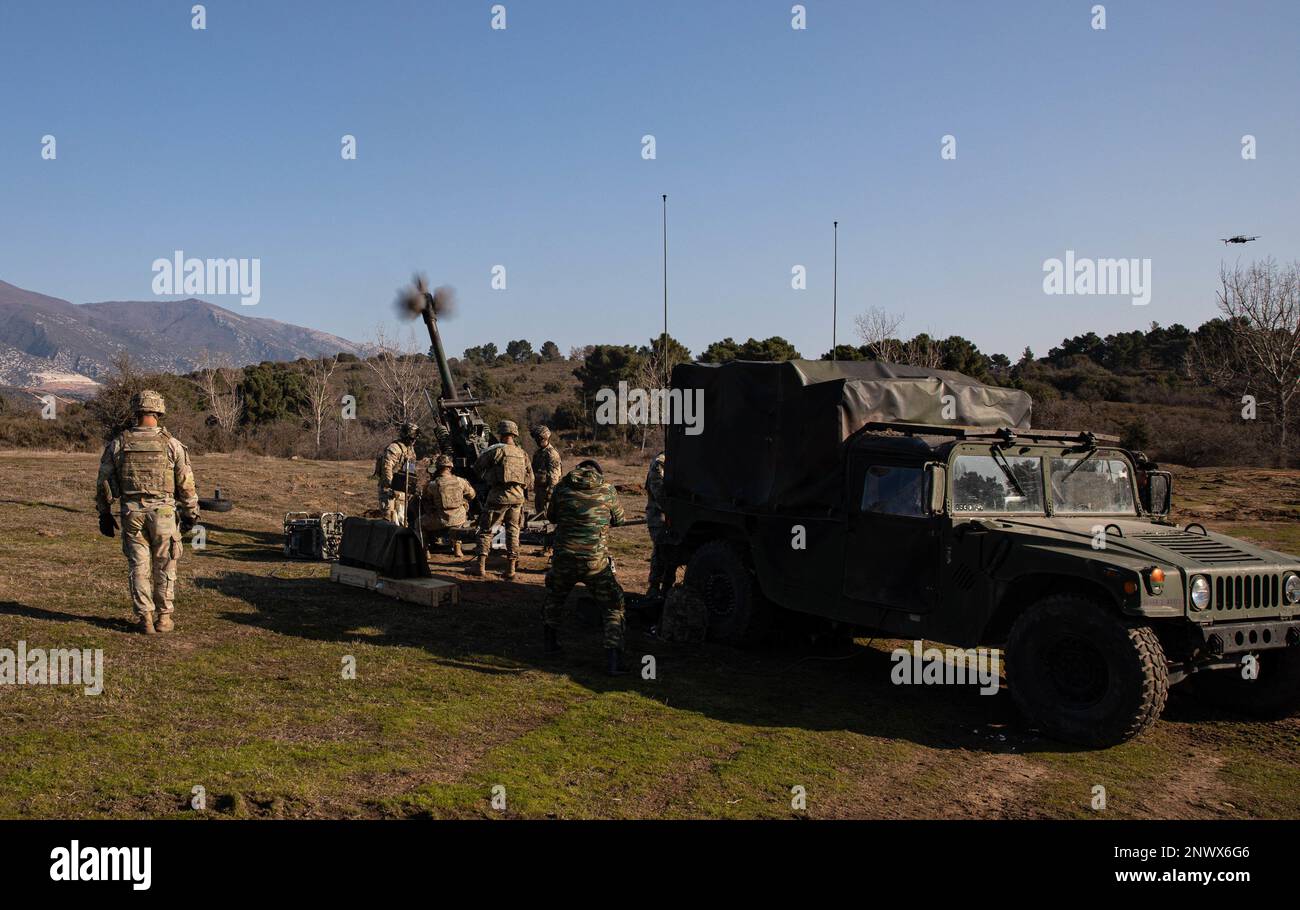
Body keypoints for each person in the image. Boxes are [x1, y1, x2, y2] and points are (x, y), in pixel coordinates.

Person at [95, 390, 199, 634]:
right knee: (165, 564)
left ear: (136, 411)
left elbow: (103, 482)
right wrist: (191, 513)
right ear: (159, 410)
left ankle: (145, 618)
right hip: (163, 513)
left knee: (138, 566)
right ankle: (164, 618)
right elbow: (186, 483)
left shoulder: (119, 443)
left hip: (132, 513)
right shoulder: (171, 444)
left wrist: (104, 513)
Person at [543, 459, 629, 675]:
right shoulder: (607, 490)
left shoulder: (561, 488)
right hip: (595, 562)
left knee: (555, 598)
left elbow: (551, 516)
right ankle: (613, 660)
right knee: (613, 605)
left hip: (564, 558)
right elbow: (619, 520)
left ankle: (550, 645)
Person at [473, 420, 533, 579]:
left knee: (486, 529)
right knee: (513, 530)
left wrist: (489, 478)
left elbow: (477, 467)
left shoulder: (495, 451)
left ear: (501, 433)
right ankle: (511, 568)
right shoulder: (522, 453)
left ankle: (480, 567)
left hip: (498, 496)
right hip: (517, 497)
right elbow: (530, 477)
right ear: (515, 434)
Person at [420, 455, 475, 557]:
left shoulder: (432, 484)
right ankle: (457, 549)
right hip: (459, 518)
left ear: (437, 467)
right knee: (459, 520)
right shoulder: (460, 481)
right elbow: (472, 495)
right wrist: (462, 501)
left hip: (441, 519)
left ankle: (425, 551)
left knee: (419, 523)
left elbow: (425, 498)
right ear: (450, 467)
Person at [644, 451, 676, 599]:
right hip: (660, 516)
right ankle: (655, 589)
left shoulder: (679, 459)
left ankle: (667, 588)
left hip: (673, 516)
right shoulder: (660, 462)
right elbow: (659, 493)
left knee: (673, 552)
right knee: (661, 550)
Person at [377, 421, 419, 526]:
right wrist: (392, 486)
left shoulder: (410, 450)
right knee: (390, 519)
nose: (413, 441)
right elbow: (387, 468)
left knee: (402, 520)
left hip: (402, 490)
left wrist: (410, 487)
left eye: (415, 438)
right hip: (389, 490)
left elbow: (410, 470)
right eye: (411, 438)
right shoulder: (394, 448)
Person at [530, 425, 562, 553]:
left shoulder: (551, 453)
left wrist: (550, 492)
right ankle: (545, 546)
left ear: (544, 438)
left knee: (549, 520)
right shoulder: (539, 453)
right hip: (540, 491)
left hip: (547, 492)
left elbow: (554, 474)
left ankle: (549, 548)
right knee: (541, 519)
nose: (536, 441)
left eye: (538, 438)